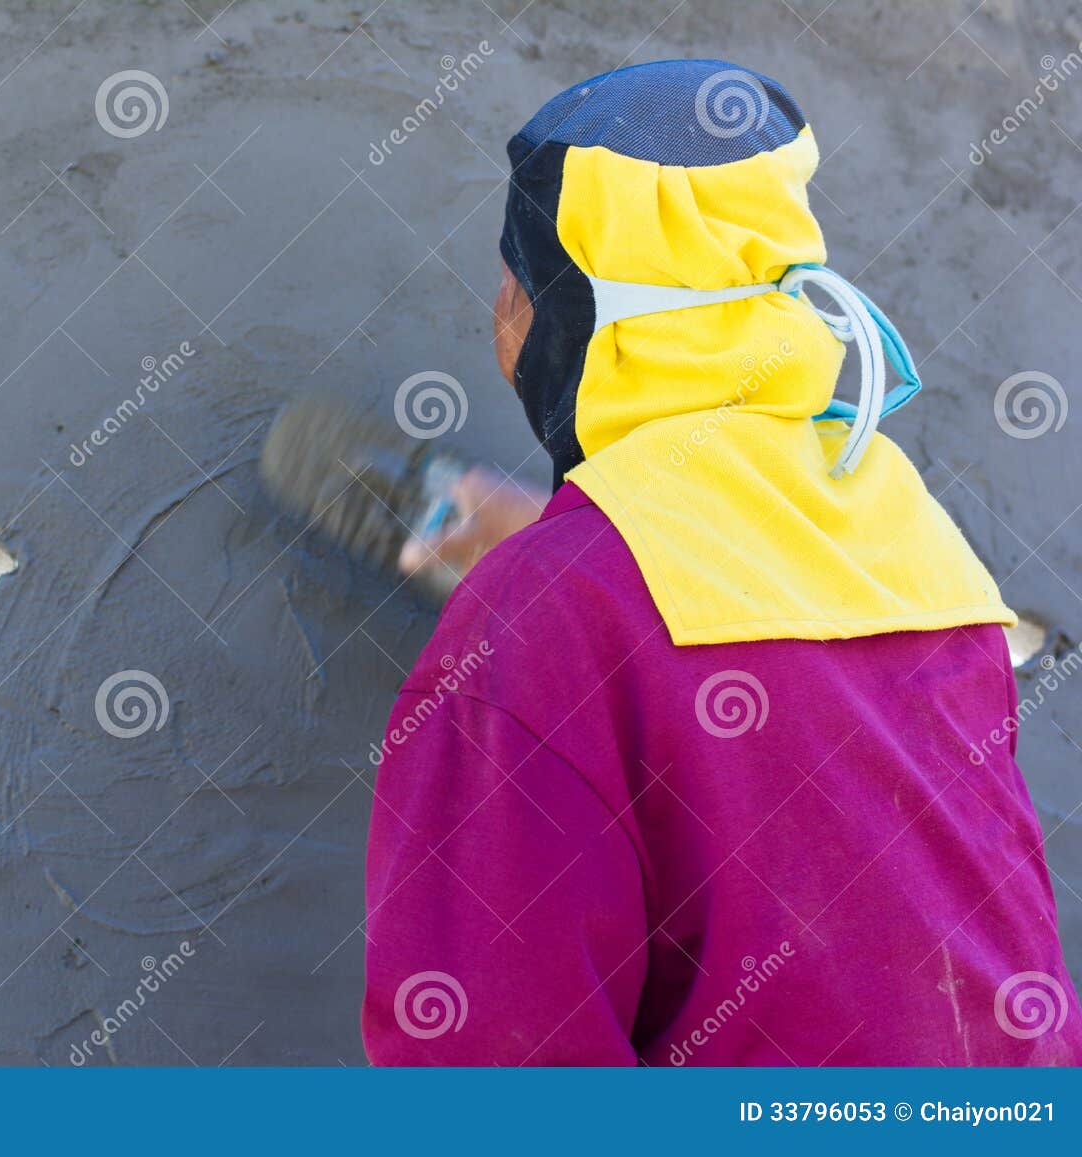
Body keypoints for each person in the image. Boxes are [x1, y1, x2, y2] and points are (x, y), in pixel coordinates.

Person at [362, 60, 1081, 1065]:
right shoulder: (922, 550)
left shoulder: (537, 619)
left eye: (516, 281)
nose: (500, 308)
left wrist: (535, 619)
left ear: (562, 322)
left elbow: (489, 1062)